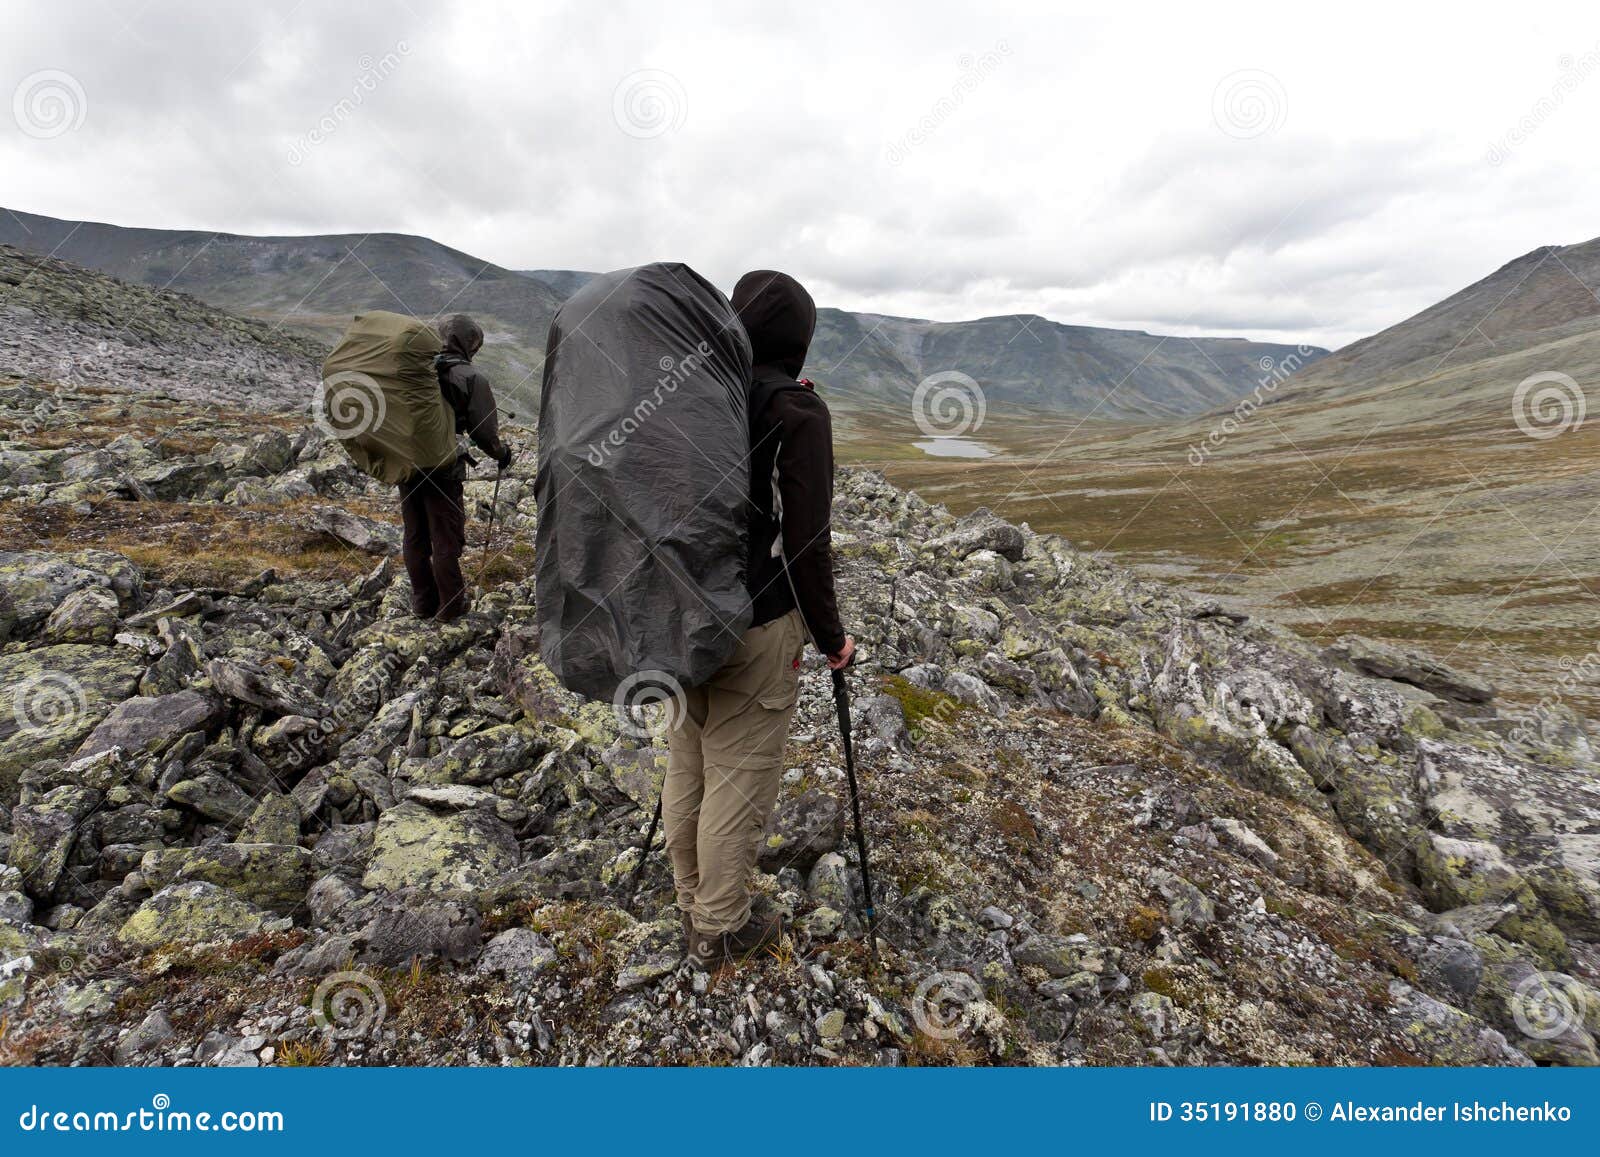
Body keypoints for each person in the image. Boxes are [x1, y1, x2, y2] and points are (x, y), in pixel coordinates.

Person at [664, 270, 855, 969]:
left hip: (681, 612)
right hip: (757, 621)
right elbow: (807, 545)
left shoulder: (690, 394)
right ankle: (718, 929)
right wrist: (832, 639)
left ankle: (690, 896)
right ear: (798, 342)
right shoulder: (797, 414)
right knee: (739, 775)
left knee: (689, 760)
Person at [399, 314, 512, 623]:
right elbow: (485, 433)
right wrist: (502, 454)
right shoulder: (470, 378)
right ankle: (450, 609)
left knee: (415, 536)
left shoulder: (417, 369)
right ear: (470, 343)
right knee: (446, 538)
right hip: (443, 469)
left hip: (407, 463)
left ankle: (423, 605)